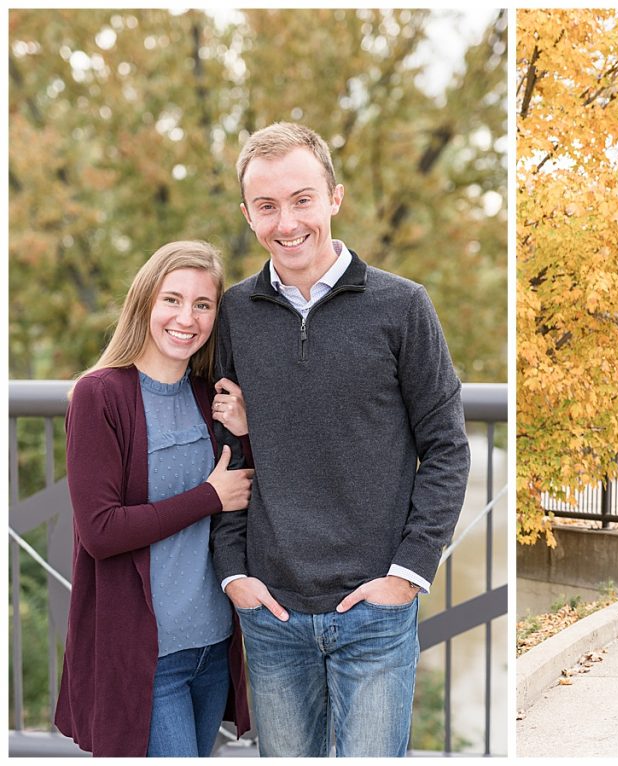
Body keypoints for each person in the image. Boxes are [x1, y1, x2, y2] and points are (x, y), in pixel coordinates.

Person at [209, 122, 471, 757]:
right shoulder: (235, 315)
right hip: (271, 611)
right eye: (267, 206)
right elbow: (224, 454)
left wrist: (406, 576)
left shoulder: (402, 307)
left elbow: (447, 447)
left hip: (375, 610)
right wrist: (235, 573)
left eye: (302, 199)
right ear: (248, 216)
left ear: (334, 197)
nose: (287, 222)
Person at [54, 241, 253, 756]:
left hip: (212, 646)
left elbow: (247, 494)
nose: (186, 318)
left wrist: (247, 433)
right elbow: (101, 532)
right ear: (145, 302)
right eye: (172, 299)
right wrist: (207, 497)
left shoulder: (210, 395)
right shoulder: (100, 396)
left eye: (202, 305)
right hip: (146, 658)